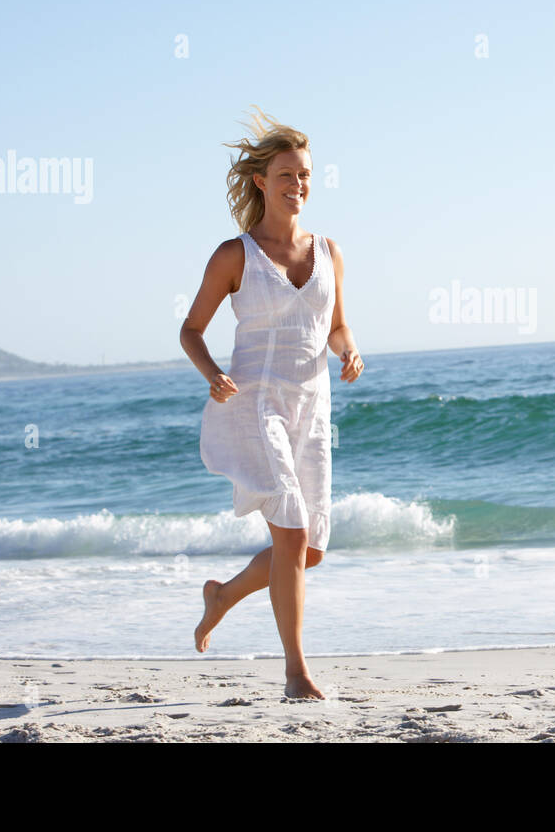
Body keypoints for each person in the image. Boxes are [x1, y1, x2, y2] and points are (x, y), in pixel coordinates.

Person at [179, 107, 364, 700]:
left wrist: (350, 351)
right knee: (289, 534)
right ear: (262, 180)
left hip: (313, 411)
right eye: (287, 174)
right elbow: (190, 330)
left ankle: (224, 594)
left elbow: (336, 326)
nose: (299, 185)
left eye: (305, 175)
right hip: (256, 407)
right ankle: (296, 672)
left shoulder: (330, 252)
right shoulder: (236, 255)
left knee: (306, 551)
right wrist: (212, 374)